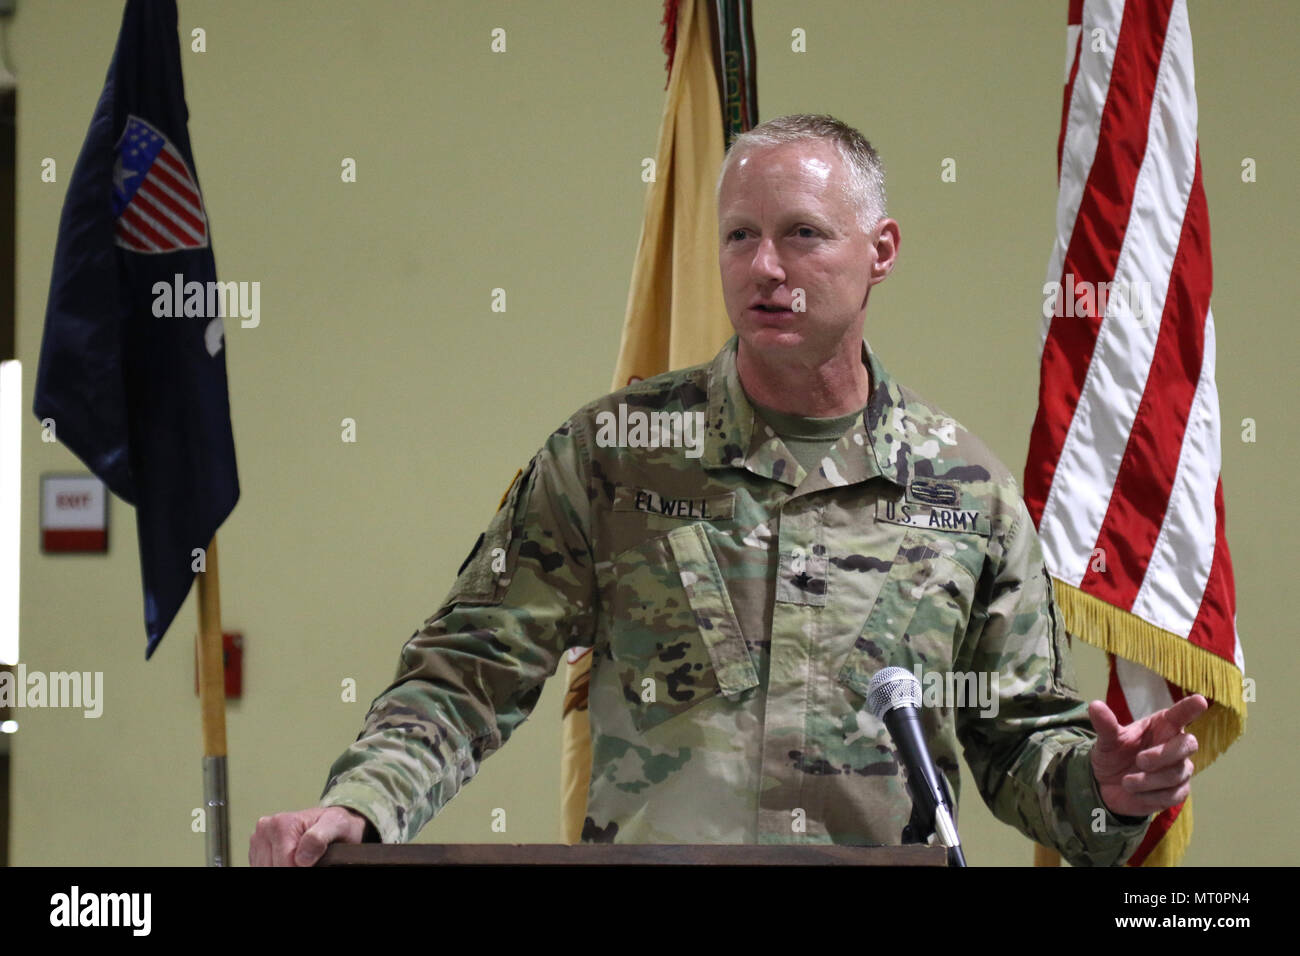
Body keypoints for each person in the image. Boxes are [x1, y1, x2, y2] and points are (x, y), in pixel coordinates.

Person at [249, 114, 1205, 867]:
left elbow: (1016, 742)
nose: (765, 268)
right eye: (740, 235)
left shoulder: (968, 495)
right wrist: (363, 801)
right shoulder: (617, 455)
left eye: (802, 235)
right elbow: (473, 668)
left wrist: (1108, 786)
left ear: (881, 251)